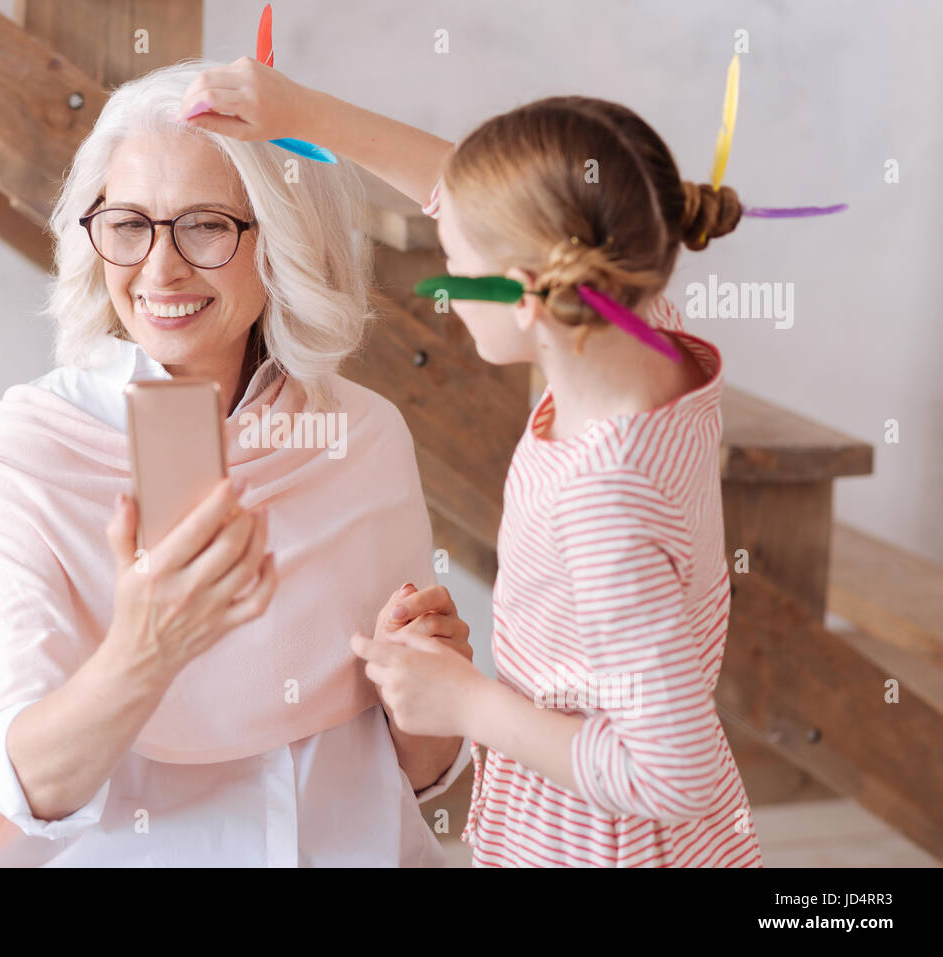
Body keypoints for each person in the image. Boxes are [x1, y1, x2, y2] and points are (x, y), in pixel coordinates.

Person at [181, 58, 764, 867]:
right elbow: (468, 190)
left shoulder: (603, 501)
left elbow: (673, 772)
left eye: (457, 264)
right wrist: (299, 110)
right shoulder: (642, 334)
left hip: (600, 843)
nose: (449, 286)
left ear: (527, 291)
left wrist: (467, 703)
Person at [0, 60, 471, 868]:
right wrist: (144, 653)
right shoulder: (25, 451)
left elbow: (425, 775)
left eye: (206, 225)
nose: (160, 268)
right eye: (128, 223)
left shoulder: (361, 434)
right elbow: (28, 786)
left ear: (285, 240)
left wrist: (425, 691)